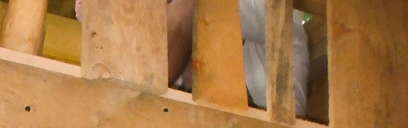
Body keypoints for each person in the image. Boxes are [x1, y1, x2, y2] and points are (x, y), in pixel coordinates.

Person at [75, 0, 310, 117]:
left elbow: (185, 11)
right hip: (219, 123)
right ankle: (123, 104)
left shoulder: (277, 12)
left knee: (189, 8)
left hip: (267, 125)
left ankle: (125, 108)